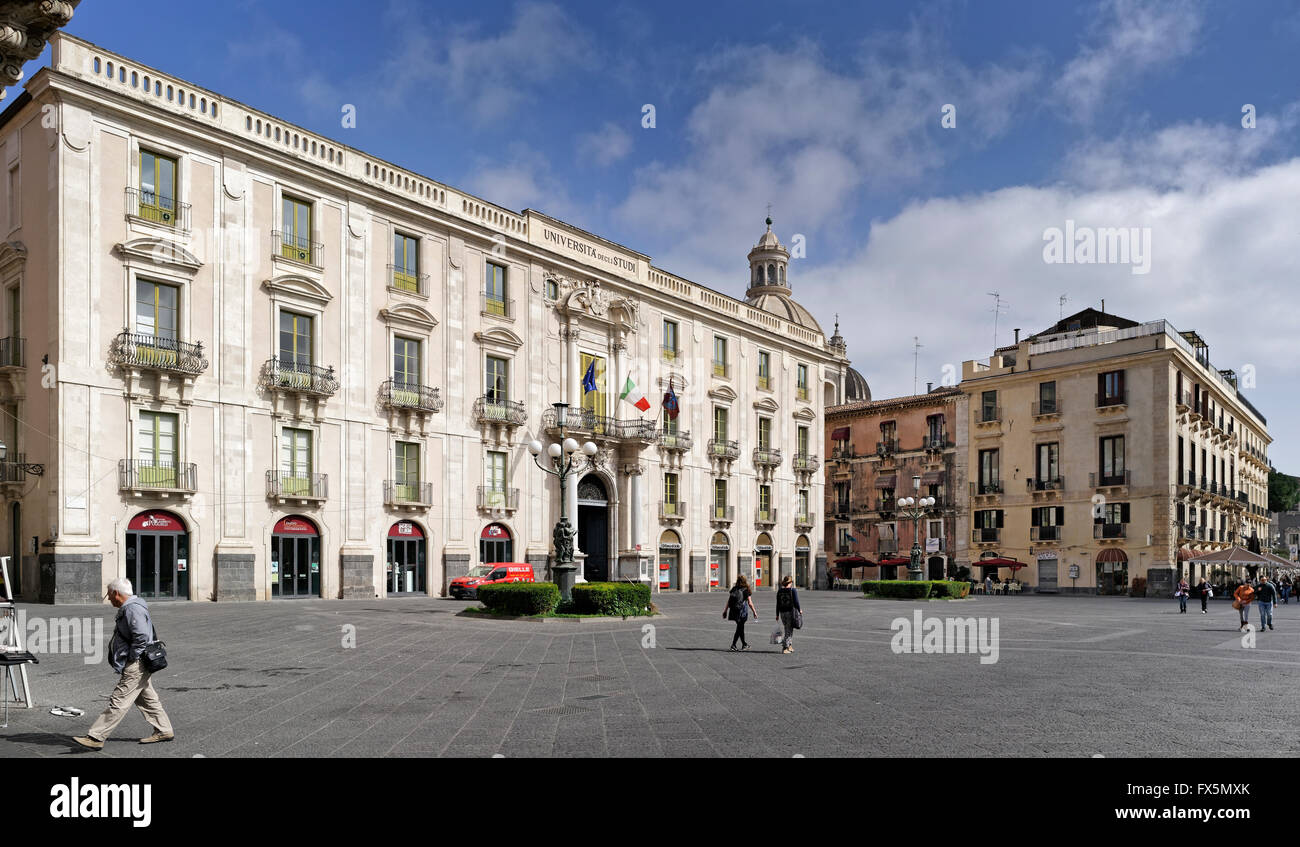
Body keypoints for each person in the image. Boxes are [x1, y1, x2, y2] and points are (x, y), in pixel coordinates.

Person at [73, 578, 174, 750]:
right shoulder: (133, 606)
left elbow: (141, 636)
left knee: (119, 700)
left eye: (109, 594)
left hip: (137, 663)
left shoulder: (132, 609)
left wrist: (132, 658)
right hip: (141, 662)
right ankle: (164, 730)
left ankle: (96, 737)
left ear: (116, 593)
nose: (109, 598)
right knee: (148, 698)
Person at [724, 574, 758, 651]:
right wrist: (754, 612)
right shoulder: (746, 590)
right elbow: (750, 603)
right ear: (745, 581)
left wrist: (725, 611)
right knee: (740, 628)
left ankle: (744, 644)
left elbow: (729, 601)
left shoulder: (734, 588)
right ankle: (733, 645)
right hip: (742, 611)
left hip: (734, 610)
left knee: (740, 627)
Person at [775, 575, 803, 654]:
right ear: (790, 582)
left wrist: (777, 614)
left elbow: (778, 603)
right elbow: (796, 602)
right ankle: (785, 648)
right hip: (790, 612)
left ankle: (789, 645)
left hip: (782, 613)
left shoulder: (780, 591)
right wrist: (799, 609)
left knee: (789, 628)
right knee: (788, 630)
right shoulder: (792, 590)